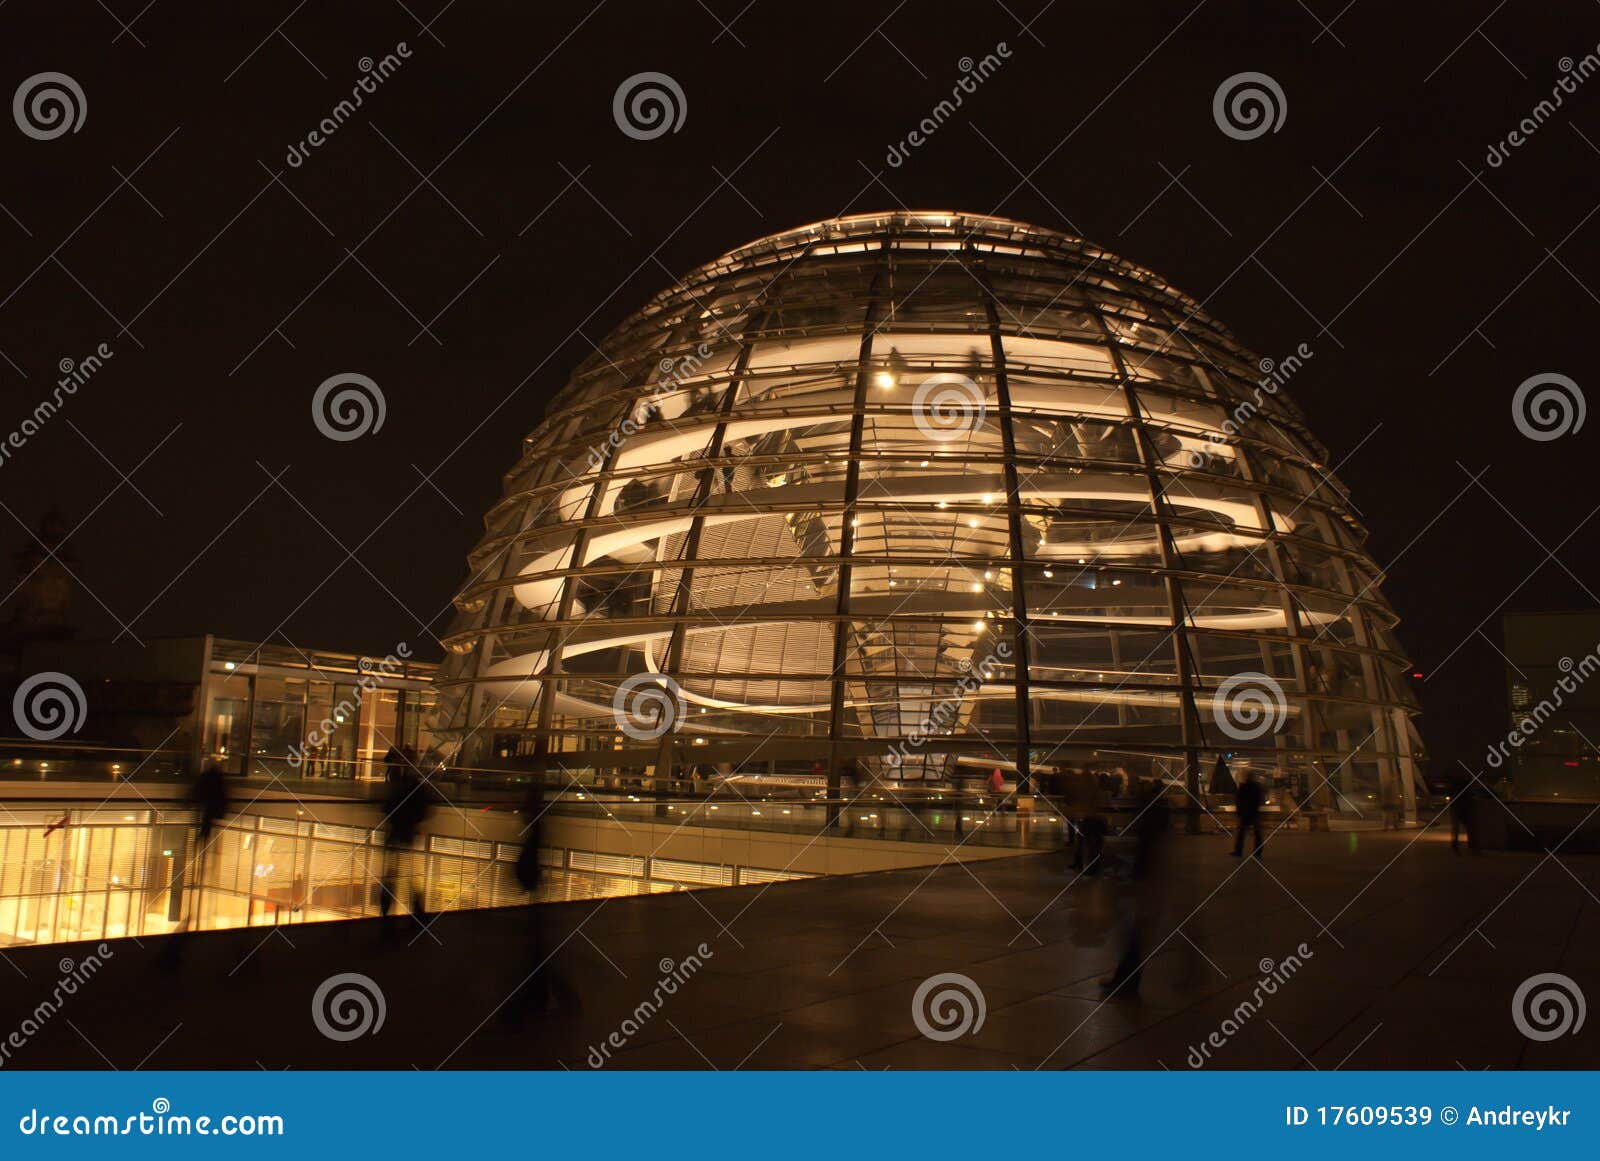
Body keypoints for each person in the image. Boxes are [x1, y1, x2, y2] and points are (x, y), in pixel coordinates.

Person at [378, 762, 435, 933]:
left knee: (392, 877)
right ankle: (416, 916)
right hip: (408, 837)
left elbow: (387, 808)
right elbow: (423, 812)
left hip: (396, 837)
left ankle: (387, 917)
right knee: (409, 878)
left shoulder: (398, 792)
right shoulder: (417, 793)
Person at [1232, 767, 1264, 859]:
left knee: (1241, 833)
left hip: (1245, 813)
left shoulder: (1243, 787)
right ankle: (1258, 852)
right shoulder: (1256, 787)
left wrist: (1239, 812)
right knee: (1257, 833)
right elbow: (1258, 800)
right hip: (1254, 812)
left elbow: (1238, 801)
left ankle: (1238, 851)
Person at [1448, 769, 1479, 854]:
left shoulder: (1456, 787)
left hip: (1457, 807)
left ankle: (1455, 845)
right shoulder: (1466, 789)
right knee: (1470, 827)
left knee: (1456, 827)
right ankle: (1473, 847)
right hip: (1464, 807)